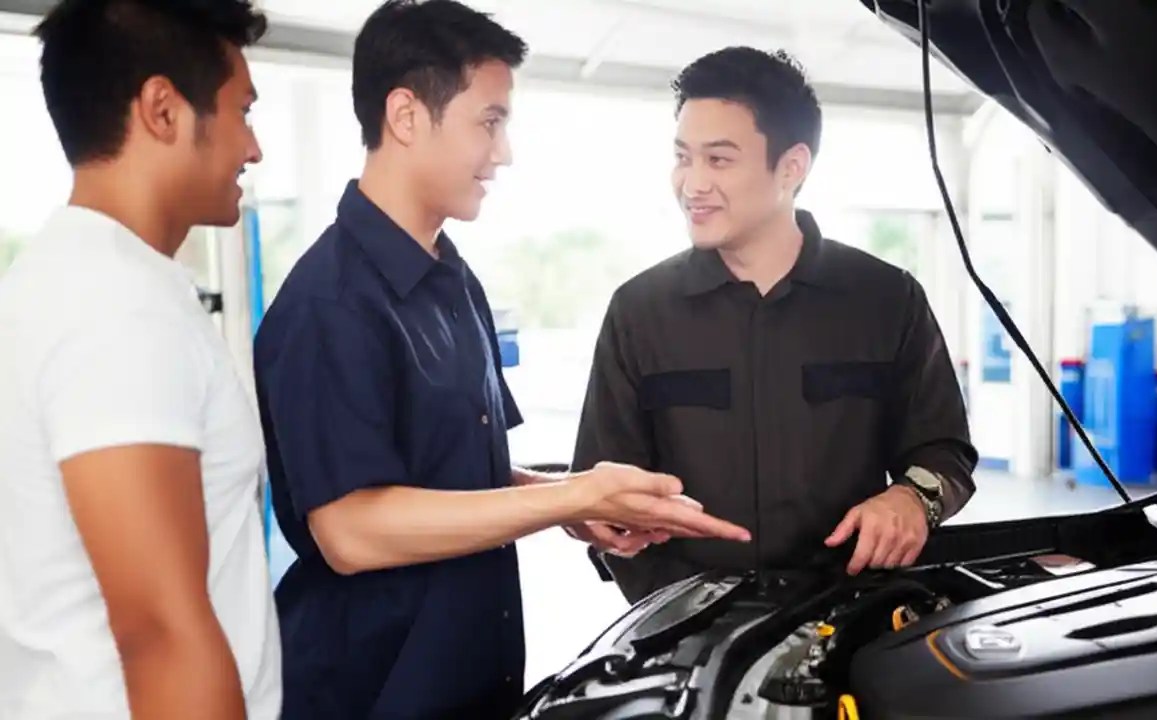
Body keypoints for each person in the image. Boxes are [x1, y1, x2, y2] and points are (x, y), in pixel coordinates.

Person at [251, 2, 751, 718]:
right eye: (490, 121)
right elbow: (352, 530)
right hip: (374, 693)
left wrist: (583, 496)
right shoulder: (330, 302)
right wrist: (571, 497)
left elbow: (459, 473)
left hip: (471, 683)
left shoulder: (451, 279)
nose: (504, 151)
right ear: (405, 115)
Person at [571, 46, 979, 604]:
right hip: (684, 626)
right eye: (682, 157)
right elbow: (602, 484)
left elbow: (944, 452)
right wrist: (652, 586)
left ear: (791, 167)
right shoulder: (640, 311)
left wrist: (912, 499)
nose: (691, 184)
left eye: (718, 160)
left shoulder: (885, 299)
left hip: (855, 611)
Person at [0, 1, 280, 719]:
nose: (253, 148)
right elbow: (159, 636)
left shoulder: (71, 280)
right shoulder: (114, 304)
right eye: (242, 111)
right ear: (163, 109)